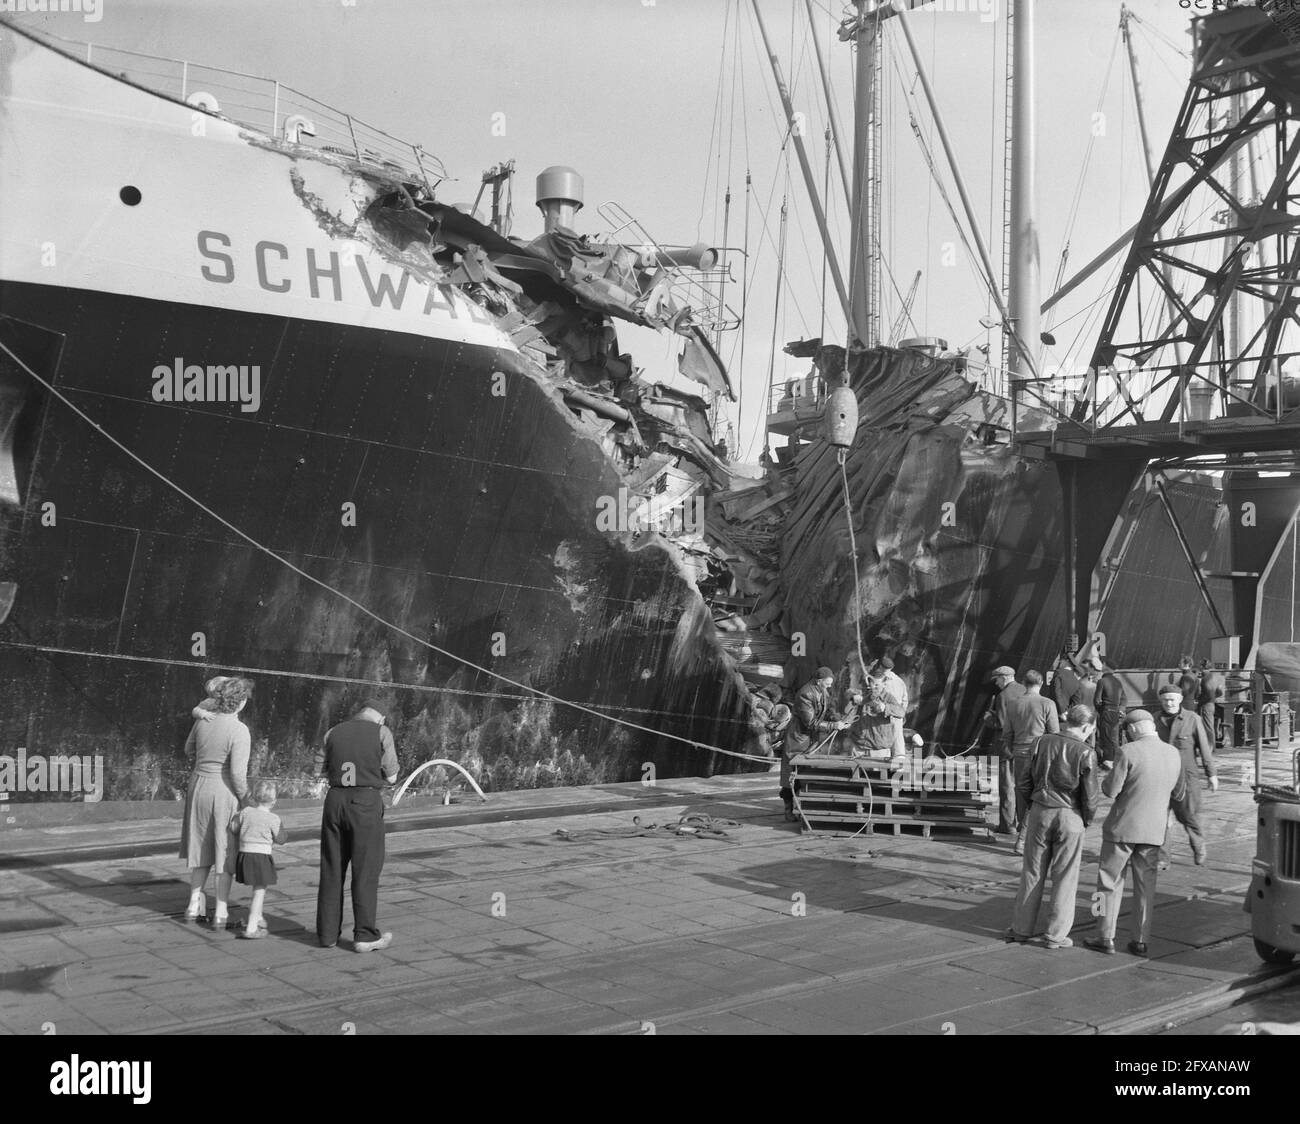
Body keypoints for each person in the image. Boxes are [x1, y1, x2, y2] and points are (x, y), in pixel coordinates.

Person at [1083, 710, 1187, 957]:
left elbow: (1110, 790)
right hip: (1154, 831)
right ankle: (1140, 940)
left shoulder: (1127, 751)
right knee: (1146, 887)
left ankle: (1103, 935)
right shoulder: (1174, 753)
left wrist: (1108, 775)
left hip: (1122, 829)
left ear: (1132, 729)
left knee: (1106, 883)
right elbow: (1180, 793)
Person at [1006, 703, 1100, 949]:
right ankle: (1055, 935)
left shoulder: (1040, 742)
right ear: (1087, 727)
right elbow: (1090, 797)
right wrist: (1086, 820)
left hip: (1040, 810)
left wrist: (1032, 807)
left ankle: (1020, 929)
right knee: (1065, 875)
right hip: (1071, 814)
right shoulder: (1086, 752)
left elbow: (1023, 782)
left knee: (1032, 872)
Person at [315, 700, 399, 952]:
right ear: (380, 718)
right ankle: (365, 936)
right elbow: (392, 776)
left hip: (335, 801)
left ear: (358, 714)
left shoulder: (332, 732)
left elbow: (318, 771)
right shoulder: (382, 732)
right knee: (365, 870)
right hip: (365, 802)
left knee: (331, 868)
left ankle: (327, 935)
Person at [179, 677, 254, 928]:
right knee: (224, 851)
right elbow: (237, 775)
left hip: (198, 785)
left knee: (201, 846)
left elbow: (188, 749)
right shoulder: (239, 731)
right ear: (240, 702)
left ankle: (193, 904)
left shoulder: (203, 720)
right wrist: (246, 799)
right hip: (223, 791)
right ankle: (221, 912)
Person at [1153, 684, 1217, 867]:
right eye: (1165, 700)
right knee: (1160, 819)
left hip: (1186, 778)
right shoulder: (1154, 719)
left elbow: (1204, 748)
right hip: (1160, 778)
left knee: (1190, 816)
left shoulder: (1193, 719)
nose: (1169, 703)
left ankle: (1198, 846)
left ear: (1180, 699)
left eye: (1172, 699)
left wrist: (1211, 774)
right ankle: (1163, 858)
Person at [1002, 670, 1060, 855]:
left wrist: (1013, 750)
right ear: (1041, 682)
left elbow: (1007, 733)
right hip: (1040, 754)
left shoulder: (1013, 704)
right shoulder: (1047, 703)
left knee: (1022, 793)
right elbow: (1054, 733)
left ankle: (1023, 830)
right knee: (1039, 795)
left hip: (1019, 754)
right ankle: (1025, 839)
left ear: (1023, 683)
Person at [780, 667, 849, 821]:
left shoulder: (822, 690)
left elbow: (828, 708)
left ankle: (801, 807)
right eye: (827, 683)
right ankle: (788, 810)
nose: (829, 686)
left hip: (811, 739)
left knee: (805, 773)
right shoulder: (805, 693)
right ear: (819, 681)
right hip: (797, 739)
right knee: (791, 775)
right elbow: (810, 722)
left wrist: (837, 719)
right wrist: (833, 726)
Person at [230, 779, 287, 940]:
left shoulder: (246, 812)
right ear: (274, 801)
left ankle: (259, 917)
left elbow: (233, 828)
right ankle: (252, 928)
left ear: (254, 797)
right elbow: (281, 839)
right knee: (259, 892)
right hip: (261, 857)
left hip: (244, 856)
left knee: (256, 888)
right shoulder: (273, 818)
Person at [988, 666, 1027, 836]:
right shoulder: (1025, 690)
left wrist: (990, 719)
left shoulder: (1003, 696)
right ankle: (1023, 825)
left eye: (997, 679)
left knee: (1007, 786)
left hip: (1007, 748)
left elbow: (1002, 725)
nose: (996, 683)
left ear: (1004, 677)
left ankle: (1007, 825)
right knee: (1023, 787)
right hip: (1026, 747)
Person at [850, 660, 906, 758]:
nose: (874, 687)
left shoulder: (888, 697)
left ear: (884, 685)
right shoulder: (864, 694)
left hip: (879, 748)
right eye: (872, 684)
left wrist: (886, 707)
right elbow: (849, 693)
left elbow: (901, 712)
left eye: (877, 685)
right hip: (859, 746)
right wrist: (853, 697)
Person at [1094, 661, 1126, 765]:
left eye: (1103, 664)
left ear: (1106, 667)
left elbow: (1097, 700)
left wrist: (1100, 710)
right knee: (1114, 738)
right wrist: (1121, 709)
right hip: (1115, 713)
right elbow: (1124, 699)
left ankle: (1108, 761)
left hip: (1106, 712)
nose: (1102, 666)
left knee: (1106, 737)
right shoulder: (1118, 682)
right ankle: (1117, 760)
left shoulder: (1102, 681)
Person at [1198, 662, 1226, 748]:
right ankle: (1211, 745)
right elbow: (1220, 691)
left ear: (1202, 667)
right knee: (1210, 725)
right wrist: (1214, 697)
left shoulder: (1205, 678)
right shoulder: (1214, 677)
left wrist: (1200, 701)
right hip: (1212, 704)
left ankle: (1210, 746)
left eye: (1200, 666)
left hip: (1205, 704)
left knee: (1207, 726)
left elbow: (1207, 693)